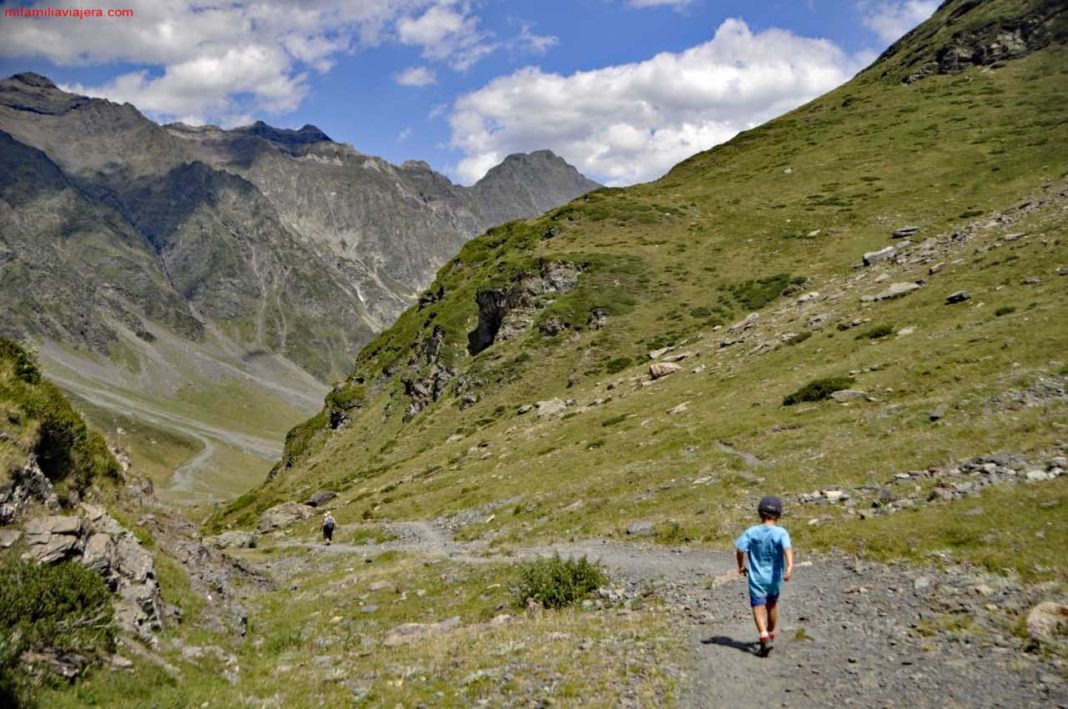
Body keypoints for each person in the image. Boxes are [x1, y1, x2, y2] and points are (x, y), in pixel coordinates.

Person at [735, 495, 793, 656]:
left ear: (760, 513)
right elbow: (787, 549)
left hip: (757, 577)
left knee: (757, 605)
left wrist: (741, 566)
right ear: (779, 515)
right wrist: (789, 567)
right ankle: (771, 632)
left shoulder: (751, 532)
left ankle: (763, 634)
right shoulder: (781, 532)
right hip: (774, 577)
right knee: (772, 605)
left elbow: (740, 549)